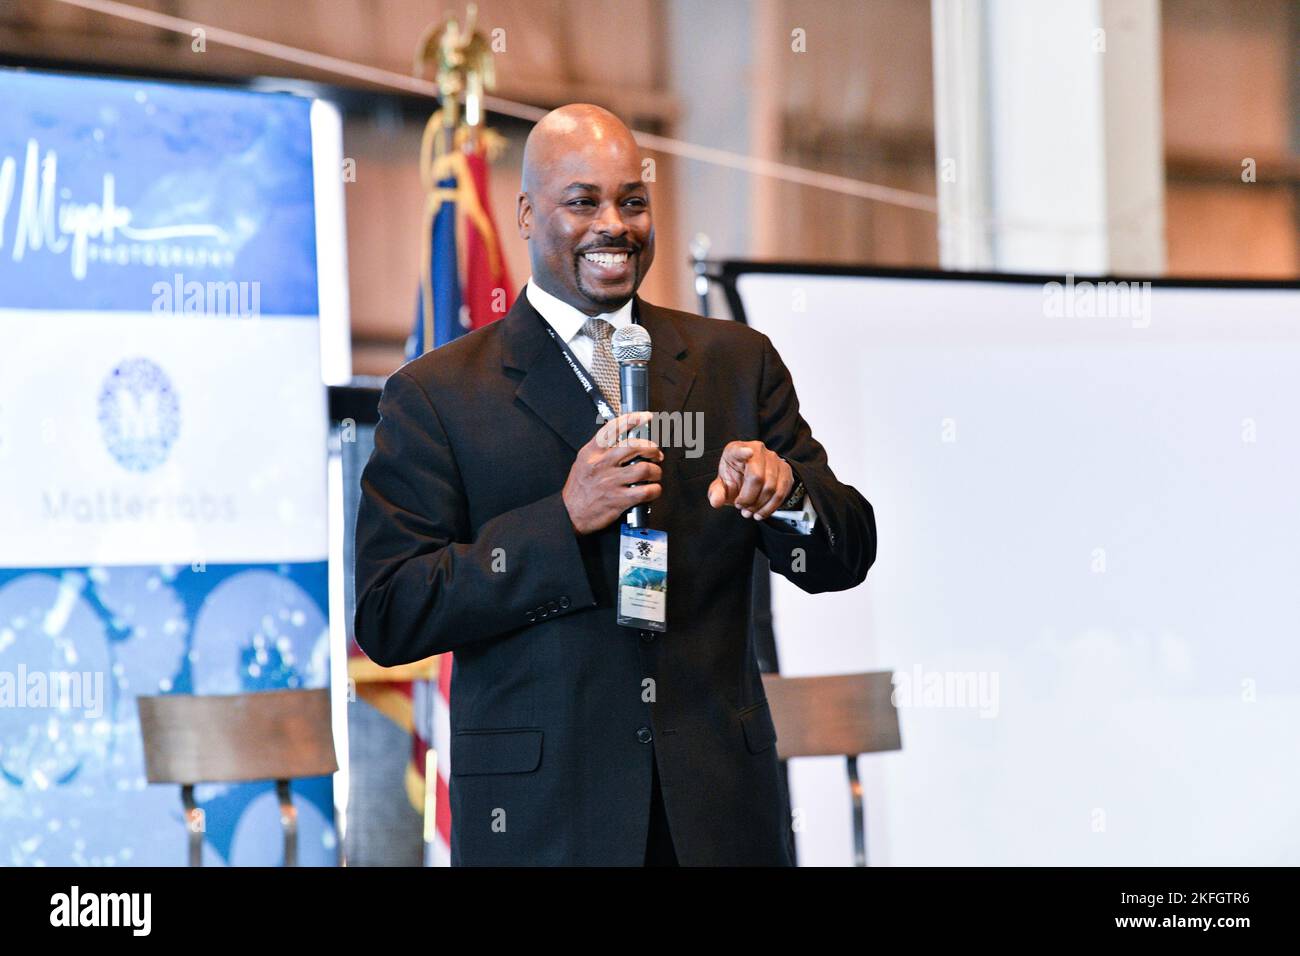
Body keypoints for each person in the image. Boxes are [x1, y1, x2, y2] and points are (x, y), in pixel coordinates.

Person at [353, 104, 876, 866]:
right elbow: (391, 611)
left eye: (633, 200)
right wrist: (562, 522)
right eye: (583, 201)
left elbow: (846, 553)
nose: (615, 224)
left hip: (718, 816)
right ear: (528, 215)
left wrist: (788, 493)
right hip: (542, 822)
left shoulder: (735, 362)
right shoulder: (439, 396)